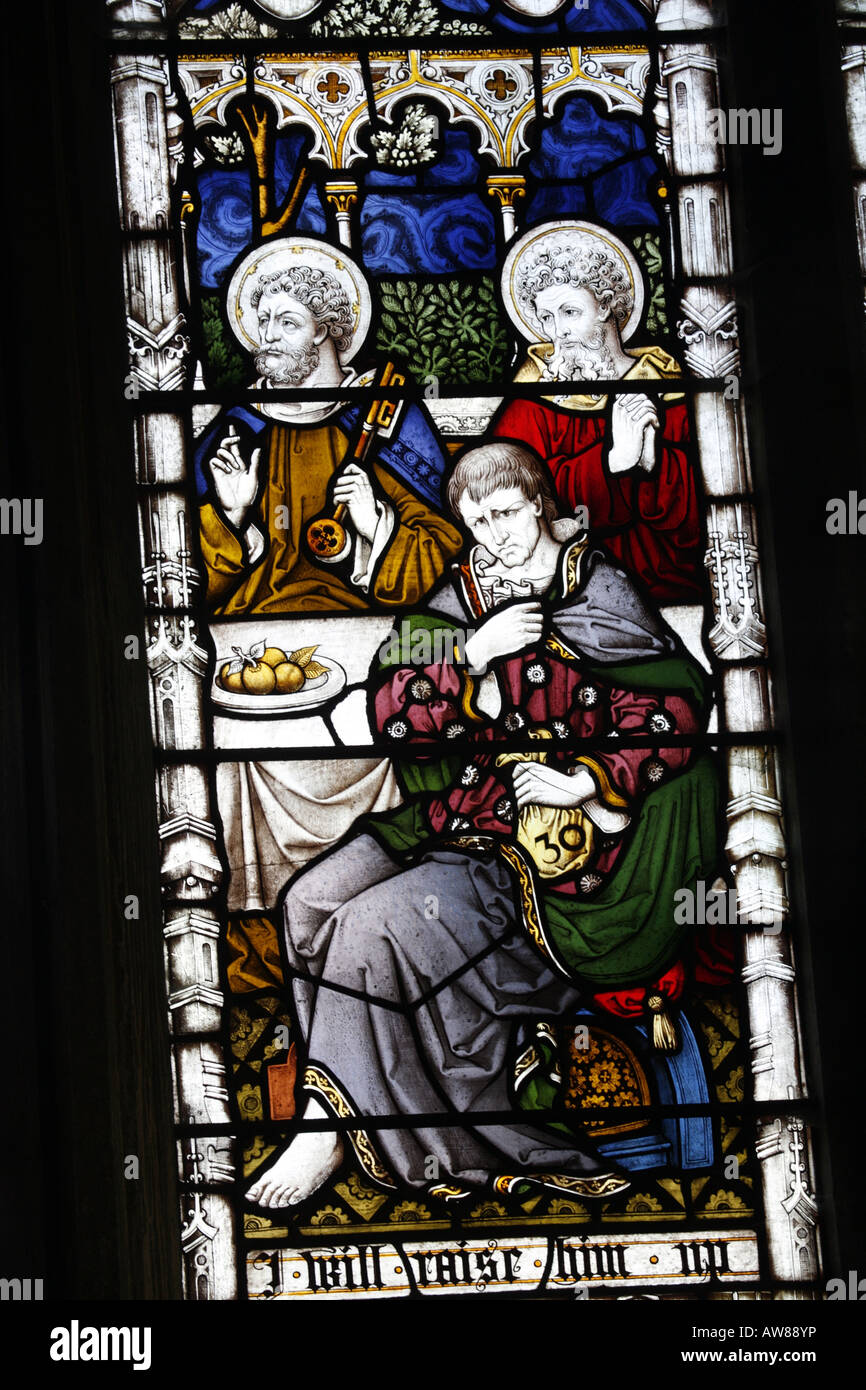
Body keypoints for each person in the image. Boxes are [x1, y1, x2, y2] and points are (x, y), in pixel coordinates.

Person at [246, 440, 720, 1210]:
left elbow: (673, 710)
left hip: (560, 861)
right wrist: (470, 657)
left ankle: (336, 1128)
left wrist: (585, 780)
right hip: (460, 817)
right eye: (477, 522)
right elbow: (391, 714)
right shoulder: (461, 601)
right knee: (308, 901)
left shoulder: (596, 591)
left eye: (505, 514)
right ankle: (349, 1106)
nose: (494, 535)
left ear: (540, 504)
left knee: (372, 930)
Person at [196, 237, 462, 613]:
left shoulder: (385, 414)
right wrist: (231, 514)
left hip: (374, 630)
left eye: (287, 322)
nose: (268, 335)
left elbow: (445, 557)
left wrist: (374, 525)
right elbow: (183, 585)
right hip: (251, 628)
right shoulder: (240, 428)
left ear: (323, 329)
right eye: (263, 321)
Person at [494, 221, 701, 603]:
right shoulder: (529, 403)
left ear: (605, 304)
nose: (558, 331)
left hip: (672, 587)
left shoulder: (668, 389)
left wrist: (654, 462)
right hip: (563, 592)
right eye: (546, 317)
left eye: (570, 311)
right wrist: (611, 462)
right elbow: (507, 501)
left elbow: (703, 518)